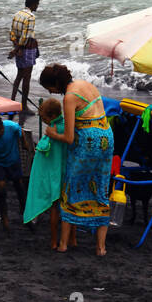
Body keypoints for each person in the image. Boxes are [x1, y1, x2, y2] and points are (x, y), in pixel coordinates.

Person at [39, 63, 113, 257]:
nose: (51, 92)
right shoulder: (85, 84)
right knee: (100, 187)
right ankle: (101, 248)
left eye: (50, 88)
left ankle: (63, 244)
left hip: (88, 142)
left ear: (56, 84)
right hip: (107, 138)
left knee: (71, 188)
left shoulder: (69, 97)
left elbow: (70, 138)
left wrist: (52, 134)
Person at [23, 98, 76, 250]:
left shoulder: (53, 130)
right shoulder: (67, 127)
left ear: (52, 116)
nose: (44, 121)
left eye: (44, 118)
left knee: (54, 208)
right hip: (67, 173)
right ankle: (73, 239)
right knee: (70, 208)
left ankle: (54, 242)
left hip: (56, 175)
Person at [9, 0, 40, 114]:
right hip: (27, 48)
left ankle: (12, 101)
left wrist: (16, 47)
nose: (37, 6)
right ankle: (24, 106)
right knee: (27, 77)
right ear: (32, 4)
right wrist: (19, 48)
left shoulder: (17, 14)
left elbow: (12, 32)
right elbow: (26, 36)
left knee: (19, 75)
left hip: (19, 47)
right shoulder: (31, 17)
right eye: (37, 4)